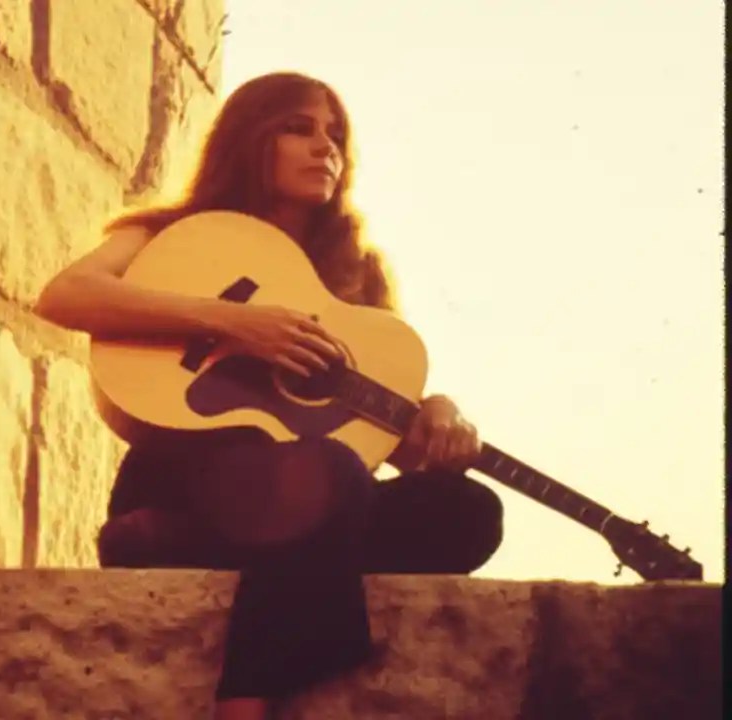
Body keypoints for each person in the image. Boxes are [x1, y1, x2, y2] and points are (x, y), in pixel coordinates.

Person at [34, 71, 504, 720]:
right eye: (298, 128)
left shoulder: (360, 273)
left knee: (468, 510)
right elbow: (66, 295)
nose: (325, 148)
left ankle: (184, 546)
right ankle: (245, 696)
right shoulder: (181, 233)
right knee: (330, 475)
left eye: (336, 135)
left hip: (313, 496)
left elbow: (378, 438)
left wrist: (436, 410)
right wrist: (230, 321)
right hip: (190, 469)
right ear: (250, 138)